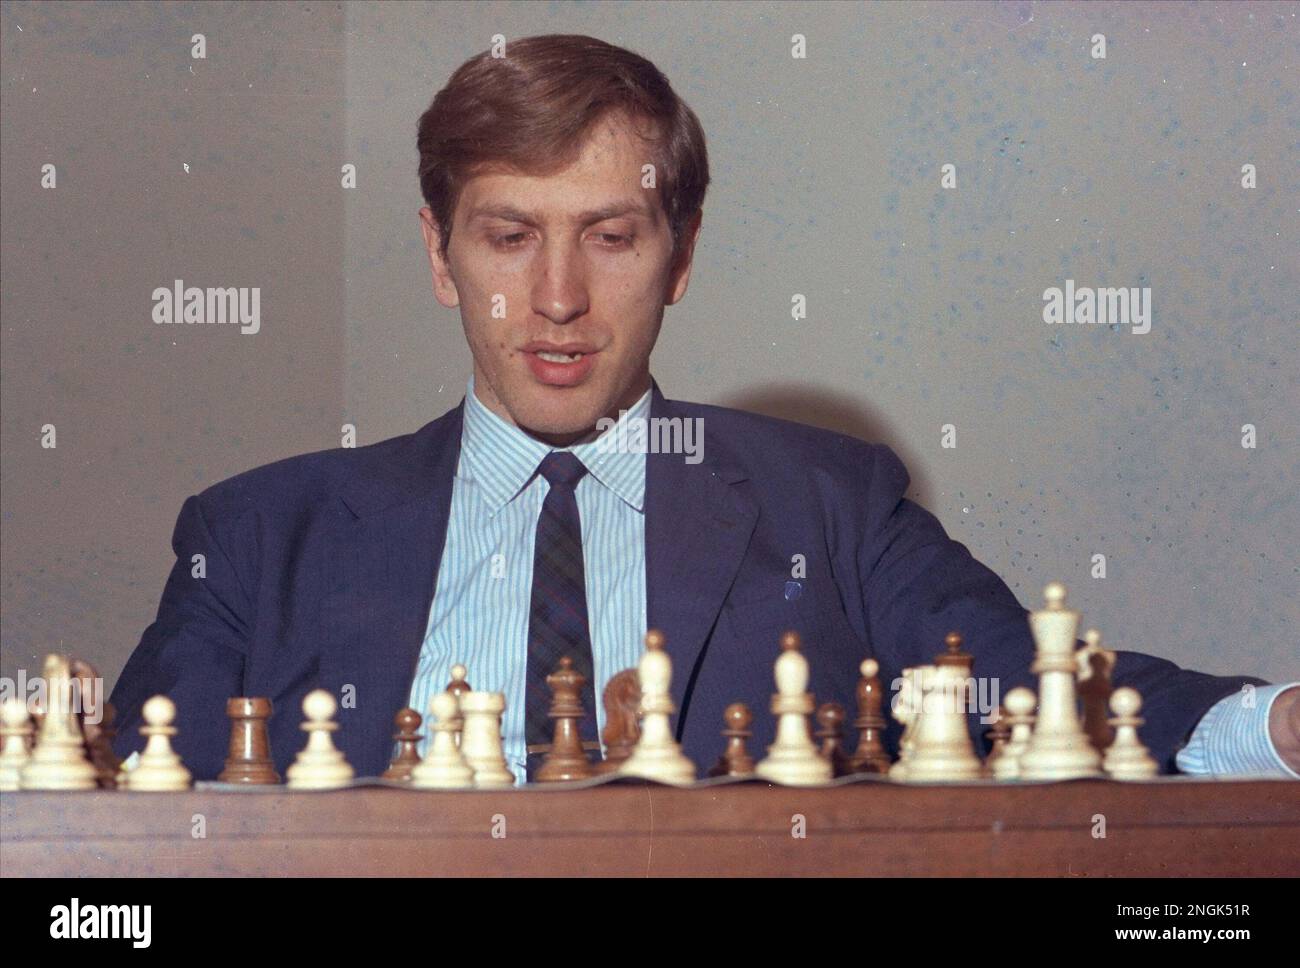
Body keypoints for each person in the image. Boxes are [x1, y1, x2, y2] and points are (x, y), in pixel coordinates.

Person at [109, 34, 1298, 783]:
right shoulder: (261, 533)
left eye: (610, 237)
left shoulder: (831, 503)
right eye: (509, 237)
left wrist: (1274, 722)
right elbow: (122, 833)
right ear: (439, 254)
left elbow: (1028, 689)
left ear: (679, 255)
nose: (558, 297)